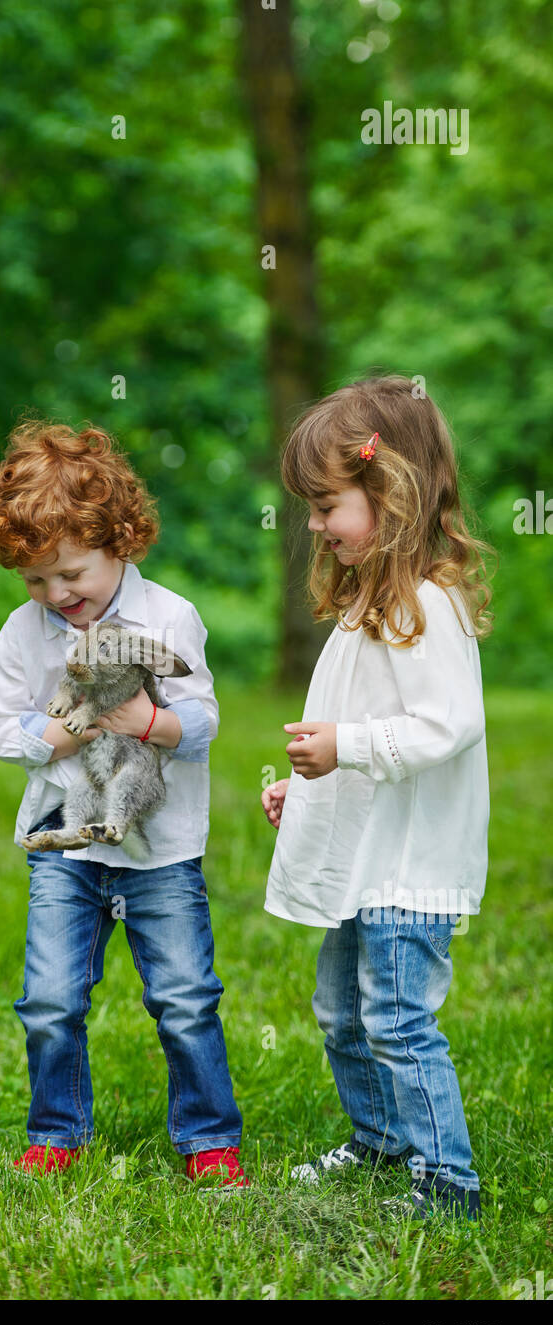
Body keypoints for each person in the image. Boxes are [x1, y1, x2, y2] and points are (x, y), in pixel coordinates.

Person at [0, 418, 248, 1186]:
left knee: (185, 997)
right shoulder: (24, 635)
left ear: (119, 540)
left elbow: (202, 721)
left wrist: (149, 722)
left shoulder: (169, 617)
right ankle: (58, 1129)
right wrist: (57, 730)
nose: (56, 595)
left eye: (71, 574)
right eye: (34, 580)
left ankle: (209, 1140)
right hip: (67, 846)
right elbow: (1, 728)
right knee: (50, 999)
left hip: (160, 853)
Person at [261, 375, 495, 1222]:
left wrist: (343, 749)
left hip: (407, 869)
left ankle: (448, 1183)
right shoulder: (371, 600)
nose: (314, 525)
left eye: (326, 505)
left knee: (396, 1022)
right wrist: (310, 783)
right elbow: (364, 723)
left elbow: (446, 726)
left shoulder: (424, 604)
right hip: (367, 860)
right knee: (342, 1015)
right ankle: (379, 1141)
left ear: (388, 490)